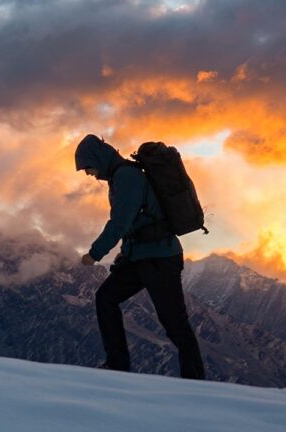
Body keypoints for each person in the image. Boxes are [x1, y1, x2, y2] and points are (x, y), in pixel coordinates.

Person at [75, 134, 205, 380]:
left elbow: (121, 223)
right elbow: (136, 223)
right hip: (142, 257)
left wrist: (94, 254)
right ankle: (117, 365)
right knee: (106, 298)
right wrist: (125, 255)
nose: (88, 174)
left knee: (174, 322)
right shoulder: (121, 177)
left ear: (98, 159)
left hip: (159, 259)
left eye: (87, 167)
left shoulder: (126, 177)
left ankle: (196, 380)